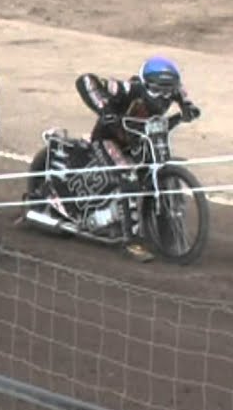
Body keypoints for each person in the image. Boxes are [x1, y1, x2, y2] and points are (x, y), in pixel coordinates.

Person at [75, 54, 201, 262]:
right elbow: (85, 81)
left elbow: (182, 94)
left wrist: (189, 108)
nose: (164, 95)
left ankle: (162, 228)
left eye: (168, 90)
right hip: (109, 139)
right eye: (159, 89)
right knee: (128, 177)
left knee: (156, 170)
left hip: (141, 142)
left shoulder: (173, 90)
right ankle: (131, 241)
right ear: (146, 83)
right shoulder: (128, 89)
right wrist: (104, 109)